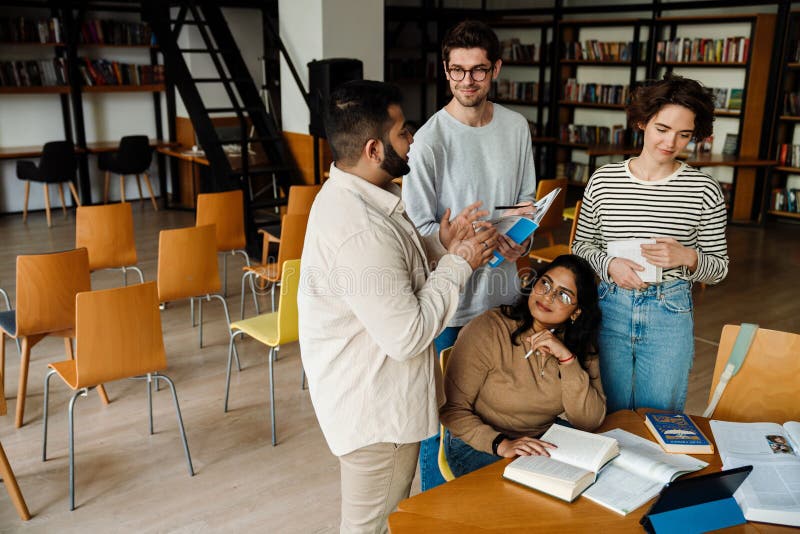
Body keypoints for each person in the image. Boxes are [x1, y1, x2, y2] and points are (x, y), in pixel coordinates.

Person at [298, 80, 498, 533]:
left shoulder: (360, 194)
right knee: (371, 526)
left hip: (367, 396)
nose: (412, 141)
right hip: (377, 415)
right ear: (373, 148)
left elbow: (392, 270)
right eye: (403, 133)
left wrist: (439, 245)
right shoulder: (360, 228)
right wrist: (460, 264)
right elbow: (407, 334)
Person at [402, 19, 538, 490]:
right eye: (457, 70)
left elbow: (526, 206)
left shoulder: (517, 128)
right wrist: (446, 238)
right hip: (450, 308)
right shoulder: (428, 140)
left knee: (500, 415)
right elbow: (417, 234)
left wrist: (523, 240)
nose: (467, 81)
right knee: (440, 426)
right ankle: (438, 514)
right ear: (445, 70)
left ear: (495, 69)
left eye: (478, 70)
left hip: (503, 302)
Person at [572, 74, 729, 413]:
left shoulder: (704, 189)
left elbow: (719, 268)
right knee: (606, 414)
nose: (671, 142)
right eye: (662, 129)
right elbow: (581, 247)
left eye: (684, 134)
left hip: (669, 311)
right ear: (642, 122)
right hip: (610, 306)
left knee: (660, 417)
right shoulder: (604, 180)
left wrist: (688, 256)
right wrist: (610, 265)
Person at [440, 254, 606, 476]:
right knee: (532, 499)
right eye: (545, 283)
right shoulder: (489, 329)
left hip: (541, 439)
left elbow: (589, 422)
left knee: (597, 474)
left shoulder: (580, 344)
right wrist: (502, 444)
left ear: (577, 312)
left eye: (563, 295)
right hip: (480, 442)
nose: (548, 296)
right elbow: (451, 410)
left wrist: (567, 360)